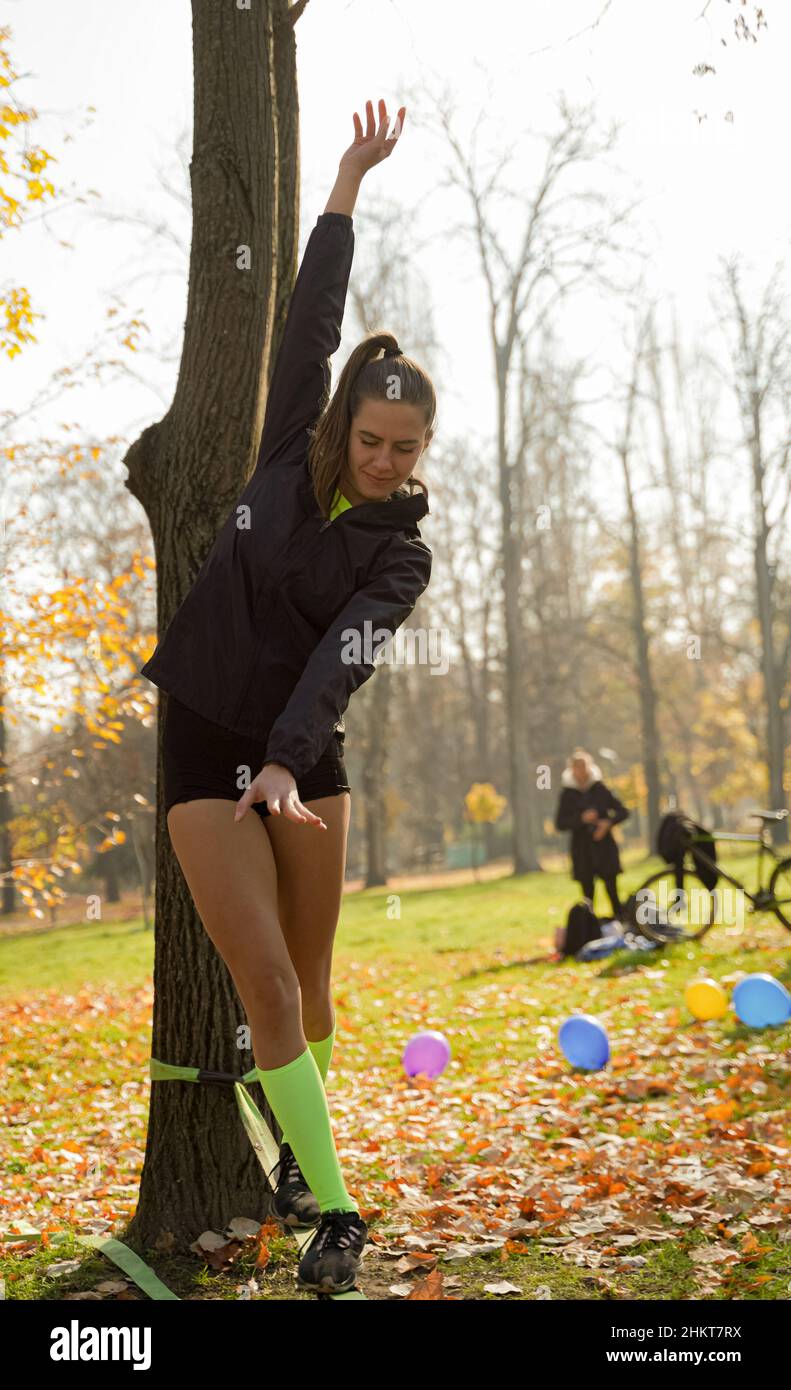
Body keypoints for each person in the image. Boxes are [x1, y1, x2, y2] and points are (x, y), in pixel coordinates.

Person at [139, 99, 436, 1295]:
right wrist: (346, 188)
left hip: (302, 759)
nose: (382, 460)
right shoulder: (281, 450)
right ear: (347, 422)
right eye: (371, 439)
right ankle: (335, 1211)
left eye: (403, 450)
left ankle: (289, 1153)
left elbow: (343, 656)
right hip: (206, 735)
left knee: (308, 998)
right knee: (262, 982)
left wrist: (285, 758)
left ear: (421, 450)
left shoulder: (399, 553)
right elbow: (305, 325)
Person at [554, 749, 629, 921]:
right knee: (588, 894)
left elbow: (623, 811)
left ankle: (620, 922)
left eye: (583, 766)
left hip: (604, 846)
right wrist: (581, 819)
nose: (580, 771)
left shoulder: (600, 789)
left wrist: (607, 823)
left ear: (589, 767)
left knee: (611, 888)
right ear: (571, 769)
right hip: (582, 849)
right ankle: (590, 928)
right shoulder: (567, 794)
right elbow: (560, 823)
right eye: (576, 767)